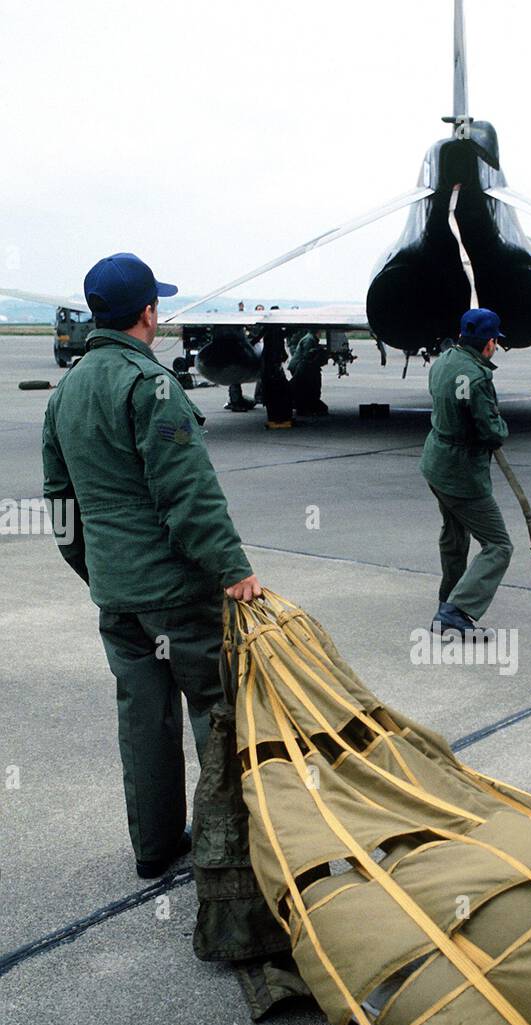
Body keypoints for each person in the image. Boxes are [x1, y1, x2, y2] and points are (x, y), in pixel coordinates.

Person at [42, 252, 262, 879]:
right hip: (177, 593)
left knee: (143, 718)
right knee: (217, 713)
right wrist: (232, 567)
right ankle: (230, 856)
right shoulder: (152, 386)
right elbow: (187, 492)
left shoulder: (67, 393)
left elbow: (61, 505)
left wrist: (98, 569)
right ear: (148, 313)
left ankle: (155, 846)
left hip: (118, 594)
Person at [420, 307, 513, 638]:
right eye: (495, 342)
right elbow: (492, 431)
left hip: (436, 465)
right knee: (499, 545)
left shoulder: (443, 360)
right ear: (488, 343)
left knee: (455, 535)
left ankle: (449, 598)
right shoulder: (476, 377)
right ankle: (455, 611)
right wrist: (500, 425)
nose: (495, 348)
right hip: (461, 474)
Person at [289, 330, 329, 416]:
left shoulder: (311, 338)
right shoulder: (309, 339)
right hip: (300, 367)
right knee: (305, 388)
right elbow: (308, 356)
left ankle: (305, 406)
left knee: (306, 388)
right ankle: (303, 408)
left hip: (302, 367)